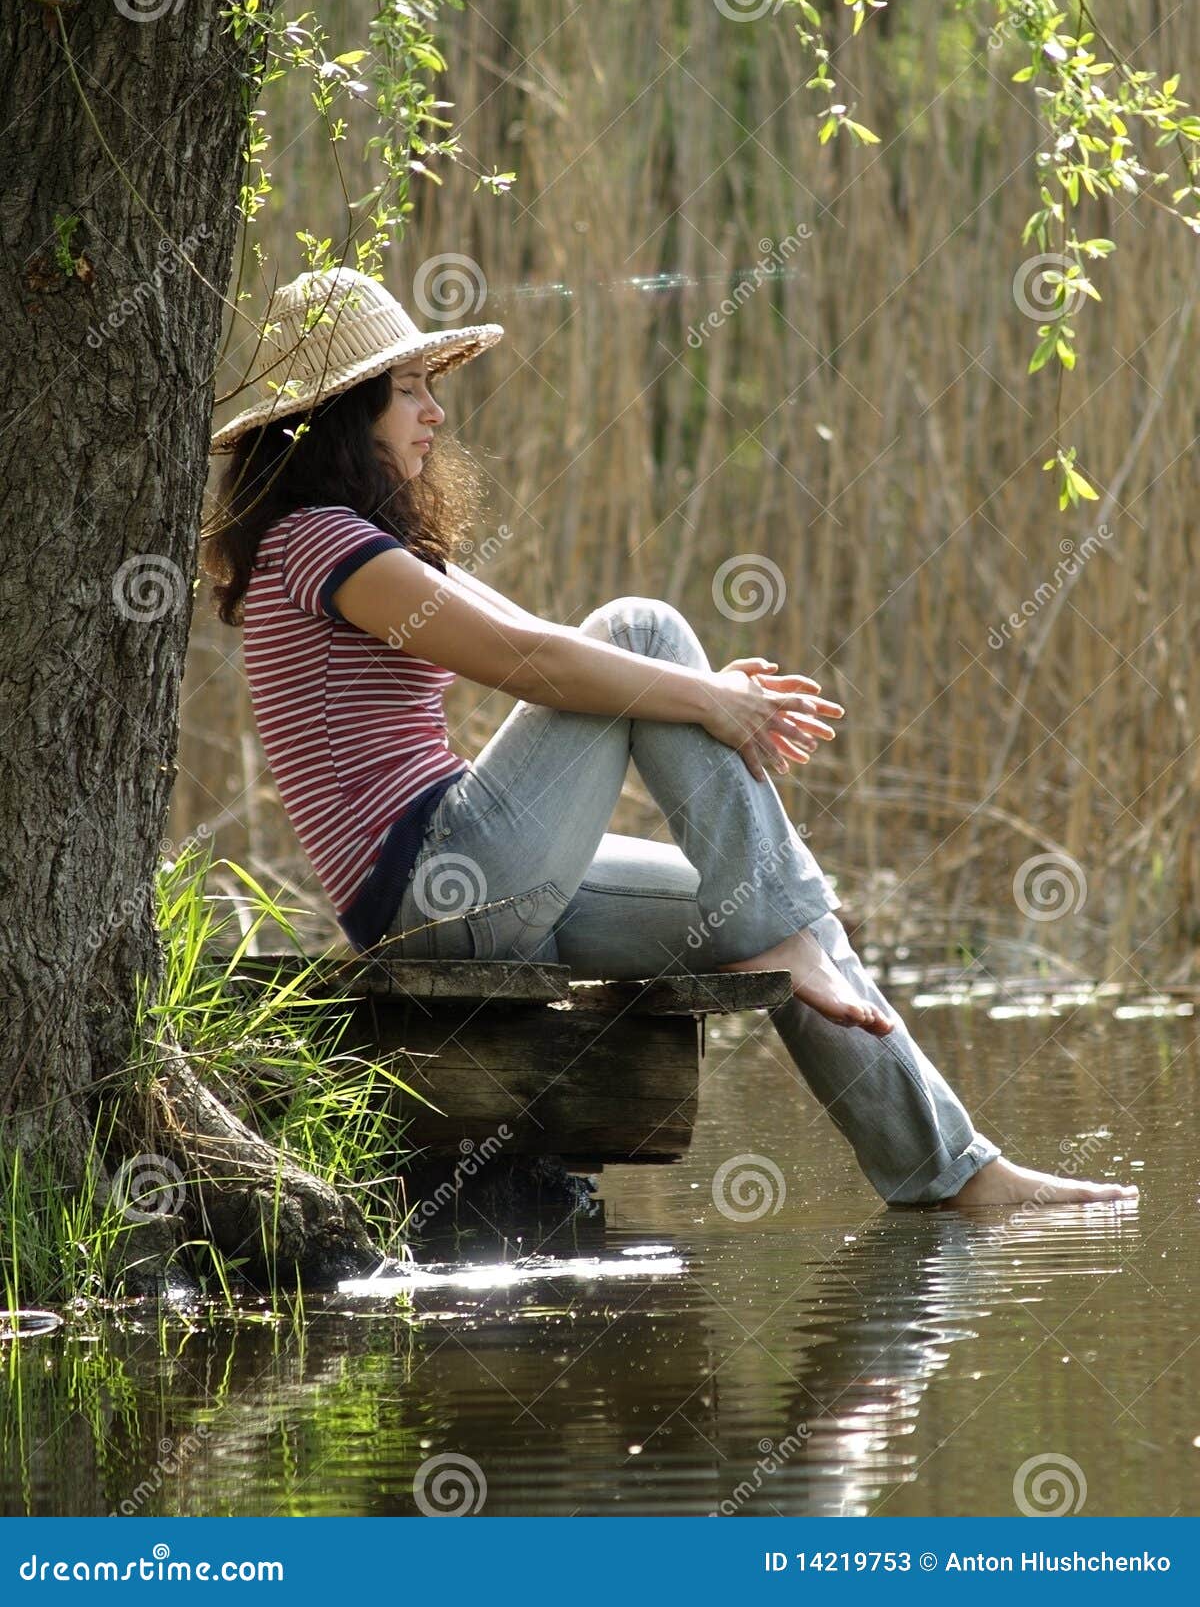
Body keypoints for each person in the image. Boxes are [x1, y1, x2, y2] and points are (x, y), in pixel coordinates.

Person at [205, 265, 1137, 1212]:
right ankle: (788, 935)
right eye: (410, 391)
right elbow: (534, 662)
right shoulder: (317, 539)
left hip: (482, 884)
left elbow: (555, 646)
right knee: (645, 630)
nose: (435, 414)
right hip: (434, 888)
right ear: (343, 414)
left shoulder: (355, 538)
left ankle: (952, 1175)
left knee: (774, 917)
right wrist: (704, 698)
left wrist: (705, 692)